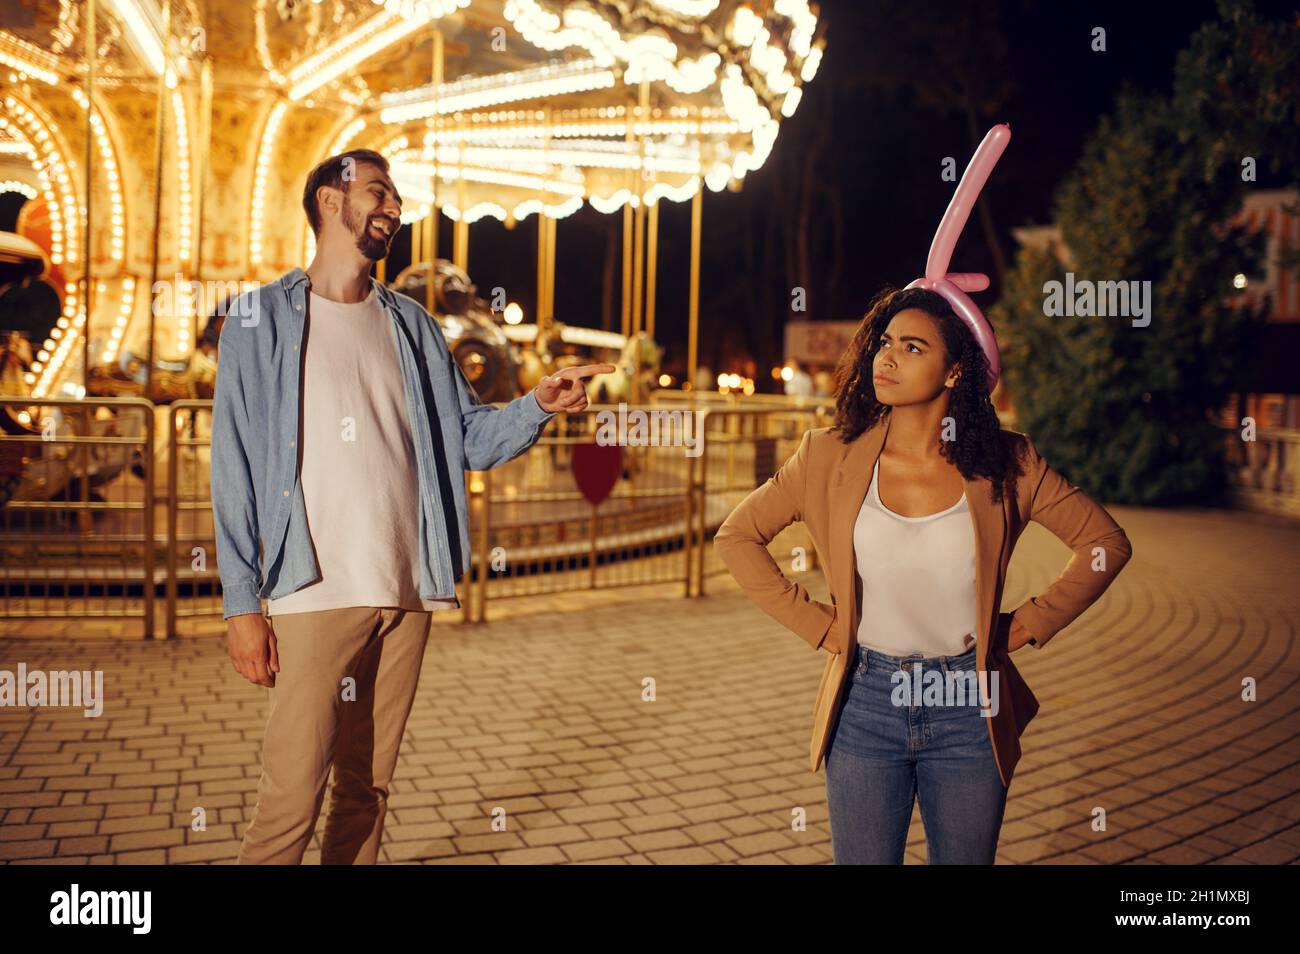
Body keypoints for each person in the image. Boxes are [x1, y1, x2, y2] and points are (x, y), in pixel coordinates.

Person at [210, 148, 611, 864]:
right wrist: (241, 605)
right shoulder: (257, 318)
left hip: (405, 589)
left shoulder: (413, 325)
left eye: (394, 196)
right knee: (290, 801)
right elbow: (232, 464)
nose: (393, 208)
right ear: (330, 200)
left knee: (367, 791)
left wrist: (538, 404)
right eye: (378, 192)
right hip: (313, 591)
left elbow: (468, 439)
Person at [714, 285, 1133, 863]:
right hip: (865, 700)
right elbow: (737, 536)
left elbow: (1105, 544)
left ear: (956, 370)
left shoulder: (1008, 463)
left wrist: (1027, 624)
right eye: (885, 343)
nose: (887, 357)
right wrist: (819, 626)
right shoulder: (827, 455)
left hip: (969, 704)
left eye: (913, 347)